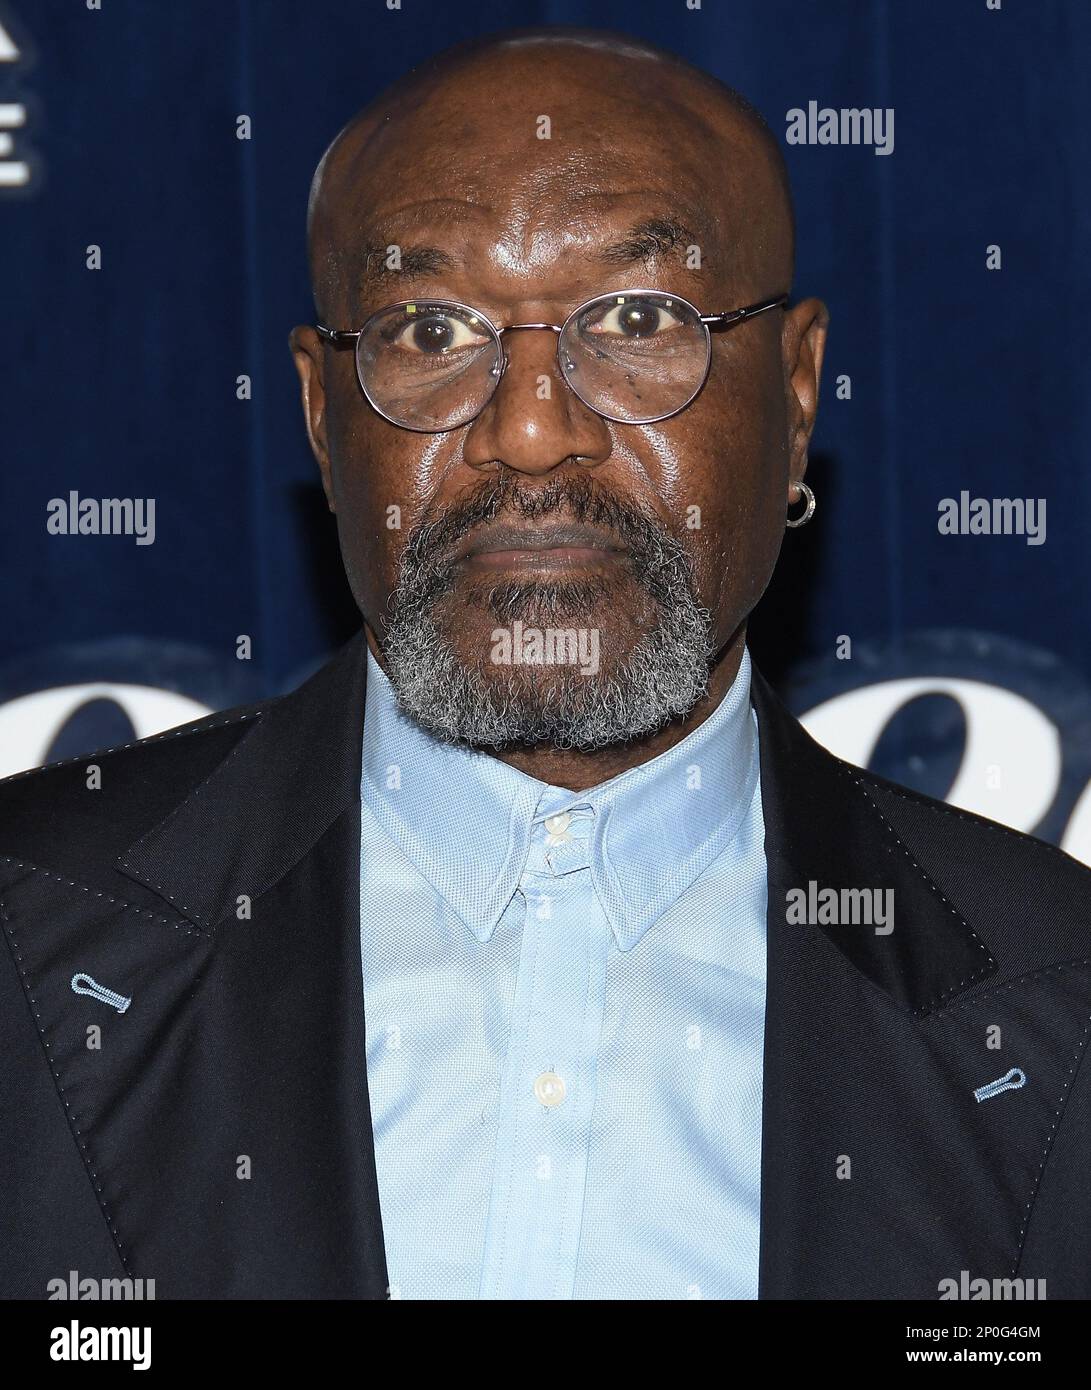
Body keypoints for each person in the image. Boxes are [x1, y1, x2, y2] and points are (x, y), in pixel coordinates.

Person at [1, 27, 1088, 1302]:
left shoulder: (1053, 1002)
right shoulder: (27, 935)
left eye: (637, 318)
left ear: (796, 396)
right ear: (317, 409)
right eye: (427, 329)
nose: (528, 432)